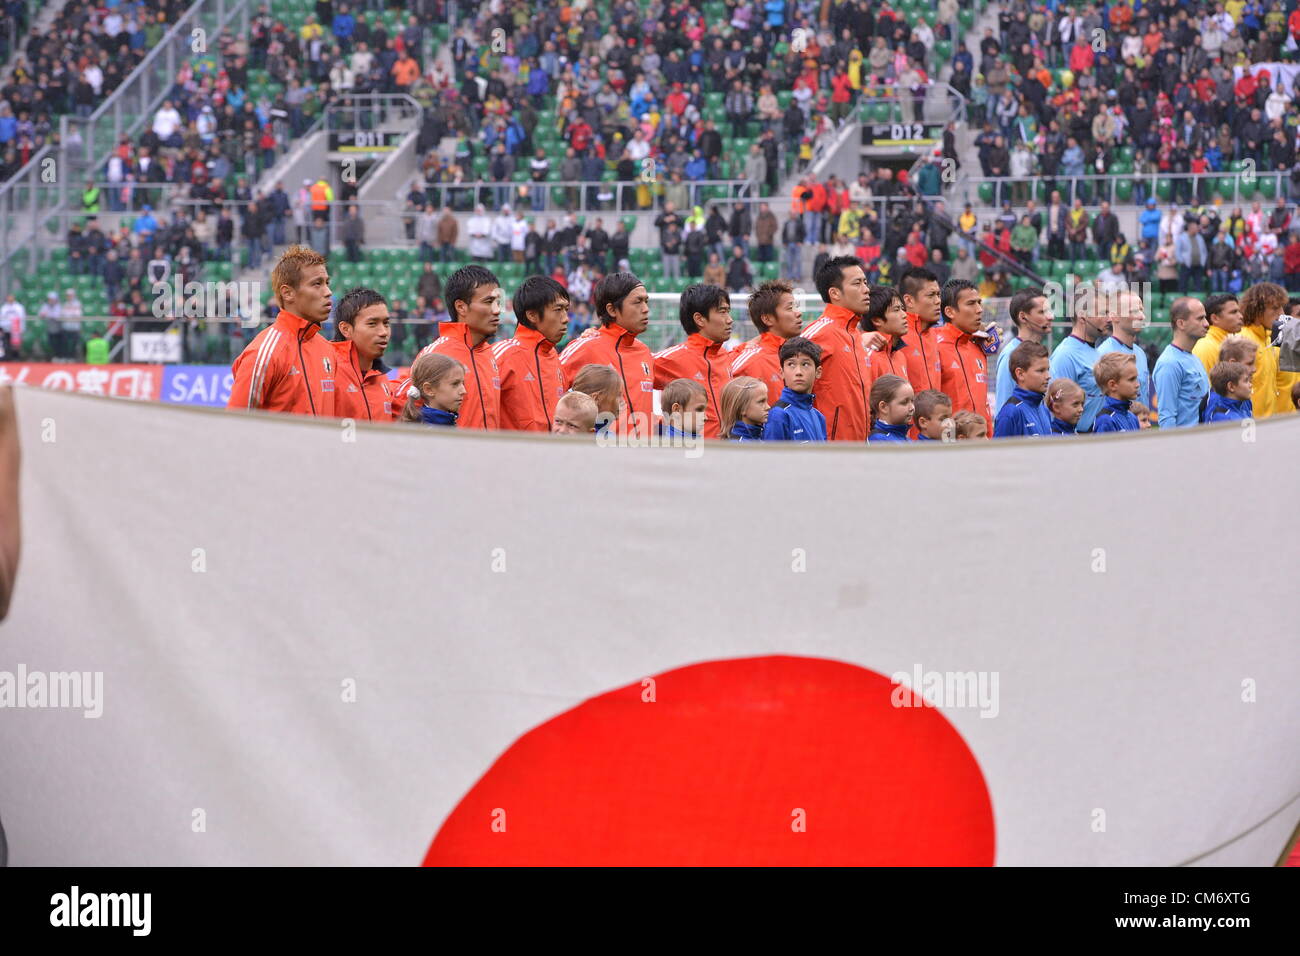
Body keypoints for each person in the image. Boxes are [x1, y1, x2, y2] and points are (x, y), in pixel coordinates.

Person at [228, 245, 338, 416]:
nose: (328, 292)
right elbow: (235, 428)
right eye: (317, 284)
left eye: (327, 283)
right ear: (287, 293)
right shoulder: (263, 354)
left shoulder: (328, 350)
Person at [398, 265, 502, 429]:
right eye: (489, 302)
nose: (497, 310)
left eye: (498, 302)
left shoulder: (491, 353)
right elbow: (402, 405)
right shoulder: (435, 354)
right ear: (461, 307)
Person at [559, 272, 655, 437]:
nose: (646, 309)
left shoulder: (644, 352)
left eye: (646, 301)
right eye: (637, 302)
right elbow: (549, 393)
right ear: (611, 309)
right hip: (601, 458)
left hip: (643, 458)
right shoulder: (585, 347)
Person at [801, 255, 883, 441]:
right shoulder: (819, 333)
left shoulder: (854, 335)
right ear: (835, 293)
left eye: (865, 282)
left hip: (858, 445)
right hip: (830, 449)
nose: (866, 290)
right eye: (857, 284)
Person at [653, 283, 735, 440]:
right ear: (700, 319)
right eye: (722, 312)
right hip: (691, 455)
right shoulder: (670, 359)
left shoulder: (727, 356)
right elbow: (627, 378)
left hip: (727, 454)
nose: (730, 320)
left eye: (728, 312)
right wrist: (658, 423)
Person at [493, 276, 569, 432]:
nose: (566, 319)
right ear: (532, 315)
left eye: (566, 310)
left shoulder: (555, 357)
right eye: (558, 310)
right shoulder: (502, 356)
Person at [1049, 281, 1111, 432]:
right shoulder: (1066, 355)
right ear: (1083, 316)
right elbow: (1056, 409)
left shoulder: (1095, 351)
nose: (1109, 319)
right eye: (1103, 313)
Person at [731, 279, 804, 405]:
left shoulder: (801, 355)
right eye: (790, 308)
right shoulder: (750, 362)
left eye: (796, 307)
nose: (798, 313)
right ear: (767, 319)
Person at [332, 287, 396, 423]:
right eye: (372, 324)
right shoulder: (328, 373)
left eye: (386, 323)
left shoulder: (381, 377)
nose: (383, 332)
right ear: (346, 329)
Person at [936, 279, 991, 421]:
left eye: (979, 303)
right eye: (971, 303)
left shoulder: (979, 346)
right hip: (948, 441)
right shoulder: (934, 347)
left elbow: (984, 405)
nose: (979, 309)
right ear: (950, 311)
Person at [1152, 296, 1211, 429]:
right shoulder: (1169, 363)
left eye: (1205, 317)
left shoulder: (1194, 358)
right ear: (1181, 324)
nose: (1207, 323)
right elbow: (1167, 418)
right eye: (1200, 318)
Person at [1238, 282, 1294, 418]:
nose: (1281, 314)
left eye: (1282, 308)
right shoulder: (1241, 340)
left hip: (1269, 424)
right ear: (1256, 309)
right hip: (1250, 426)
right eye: (1275, 308)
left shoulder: (1269, 340)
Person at [995, 288, 1052, 414]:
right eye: (1042, 312)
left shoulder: (1041, 352)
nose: (1051, 317)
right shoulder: (1010, 355)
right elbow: (1003, 410)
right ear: (1023, 317)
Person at [762, 336, 827, 442]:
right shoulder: (778, 415)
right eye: (791, 364)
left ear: (818, 372)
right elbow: (772, 458)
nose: (798, 372)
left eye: (805, 364)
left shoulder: (819, 417)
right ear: (782, 372)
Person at [1095, 288, 1152, 408]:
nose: (1142, 316)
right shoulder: (1103, 355)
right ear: (1114, 317)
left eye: (1141, 310)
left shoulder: (1140, 353)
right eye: (1134, 311)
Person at [993, 342, 1053, 438]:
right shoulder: (1010, 413)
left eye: (1048, 369)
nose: (1048, 376)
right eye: (1041, 371)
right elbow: (999, 452)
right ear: (1020, 374)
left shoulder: (1043, 408)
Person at [399, 352, 465, 427]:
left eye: (463, 383)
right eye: (455, 384)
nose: (463, 391)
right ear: (429, 389)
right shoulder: (423, 432)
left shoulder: (447, 421)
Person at [862, 285, 912, 386]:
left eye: (903, 308)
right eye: (896, 309)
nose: (904, 314)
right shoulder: (868, 357)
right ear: (877, 320)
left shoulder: (900, 356)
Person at [1192, 293, 1243, 376]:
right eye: (1233, 312)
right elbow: (1204, 387)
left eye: (1239, 312)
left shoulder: (1225, 344)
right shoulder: (1206, 347)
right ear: (1215, 318)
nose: (1241, 316)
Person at [1091, 353, 1143, 433]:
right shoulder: (1105, 420)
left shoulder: (1133, 417)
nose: (1137, 384)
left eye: (1136, 378)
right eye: (1131, 379)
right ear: (1112, 385)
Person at [571, 364, 624, 434]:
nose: (623, 401)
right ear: (596, 398)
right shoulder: (575, 437)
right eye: (618, 395)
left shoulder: (607, 434)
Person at [867, 374, 915, 443]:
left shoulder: (905, 438)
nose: (912, 407)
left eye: (912, 401)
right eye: (904, 402)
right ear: (883, 407)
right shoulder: (878, 440)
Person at [720, 376, 769, 441]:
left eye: (766, 401)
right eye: (761, 402)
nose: (768, 407)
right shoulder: (737, 446)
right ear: (742, 408)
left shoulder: (758, 435)